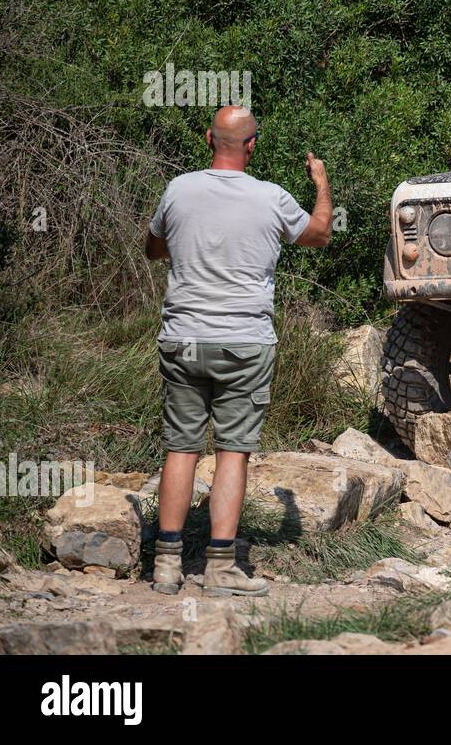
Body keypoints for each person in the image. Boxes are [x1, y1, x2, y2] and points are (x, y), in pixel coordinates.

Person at [143, 106, 332, 596]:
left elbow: (154, 248)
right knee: (232, 452)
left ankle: (166, 564)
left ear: (209, 139)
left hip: (183, 337)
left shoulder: (179, 189)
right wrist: (321, 184)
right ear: (253, 145)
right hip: (245, 342)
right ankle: (221, 568)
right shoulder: (271, 198)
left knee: (180, 448)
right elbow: (319, 235)